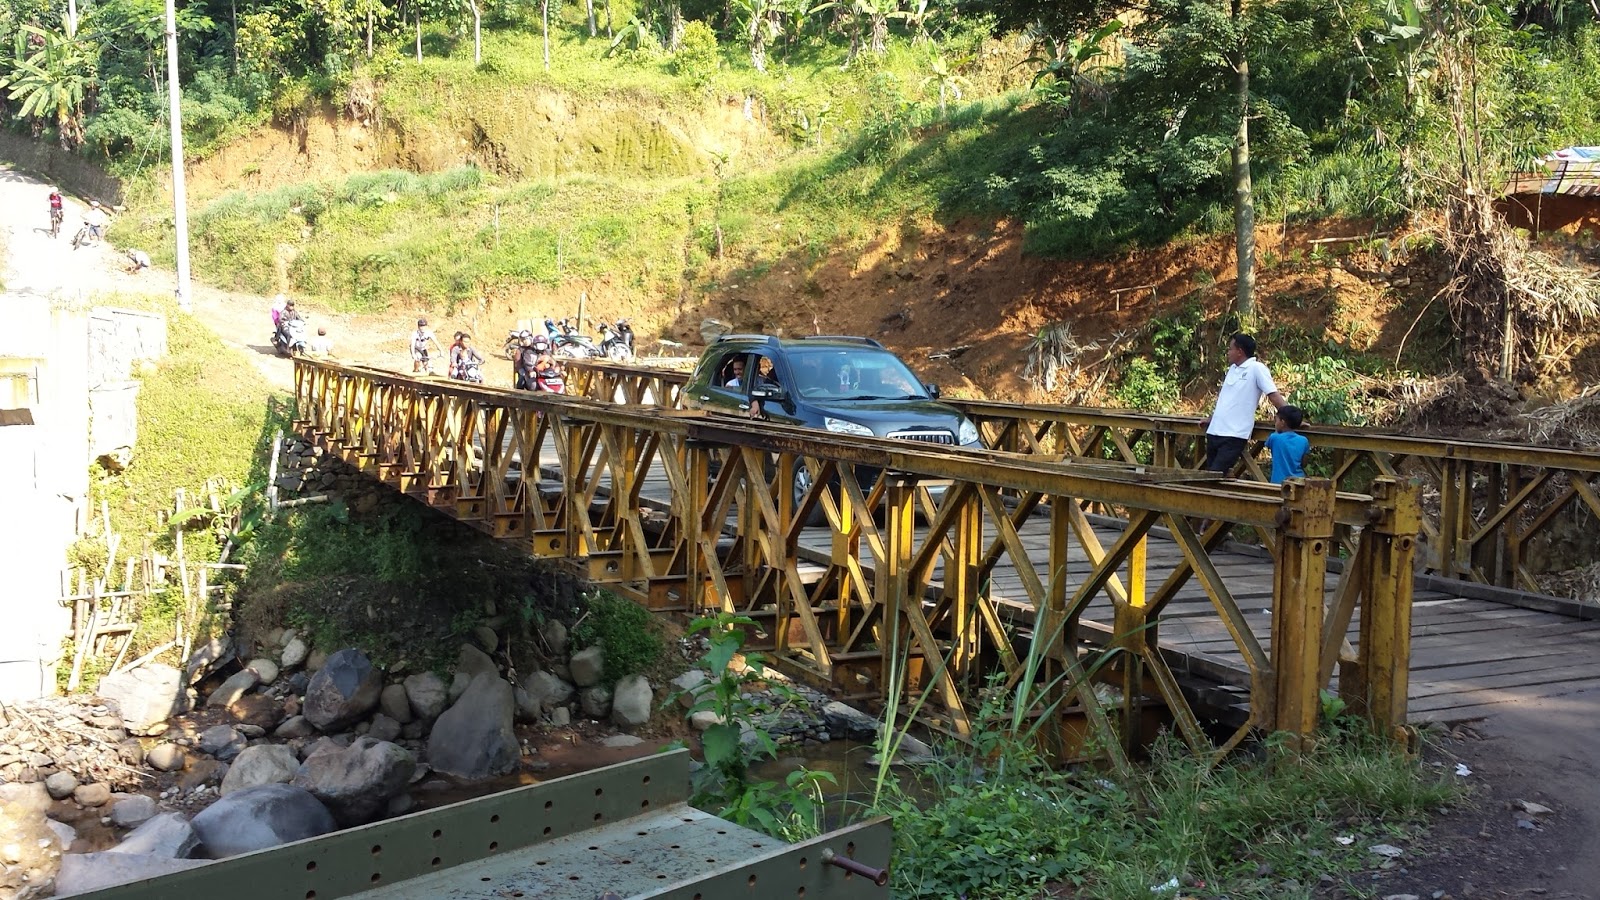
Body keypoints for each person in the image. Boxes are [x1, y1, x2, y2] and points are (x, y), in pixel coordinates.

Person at [1200, 333, 1286, 474]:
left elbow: (1273, 395)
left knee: (1214, 476)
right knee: (1212, 475)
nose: (1228, 352)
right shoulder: (1232, 369)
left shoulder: (1256, 368)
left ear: (1239, 351)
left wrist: (1291, 418)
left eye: (1230, 349)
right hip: (1215, 431)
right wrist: (1211, 418)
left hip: (1234, 434)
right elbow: (1226, 399)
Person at [1264, 405, 1309, 484]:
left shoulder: (1274, 438)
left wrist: (1277, 428)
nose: (1275, 423)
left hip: (1279, 482)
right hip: (1299, 481)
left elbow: (1268, 443)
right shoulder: (1304, 440)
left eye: (1276, 420)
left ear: (1282, 422)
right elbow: (1304, 463)